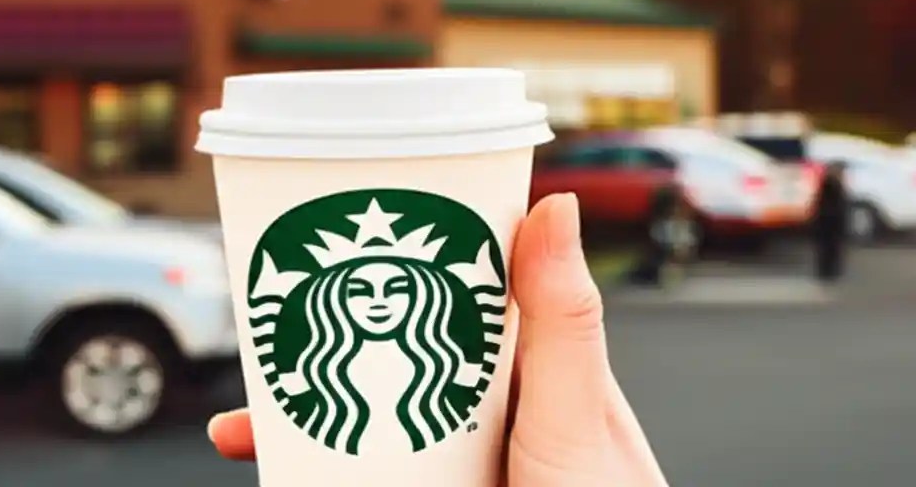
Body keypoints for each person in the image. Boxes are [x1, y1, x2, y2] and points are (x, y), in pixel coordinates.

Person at [207, 194, 671, 486]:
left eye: (397, 288)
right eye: (359, 290)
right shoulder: (313, 379)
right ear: (332, 299)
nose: (378, 301)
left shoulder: (453, 372)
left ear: (424, 296)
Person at [813, 161, 849, 282]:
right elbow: (829, 206)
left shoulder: (835, 184)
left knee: (832, 248)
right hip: (829, 222)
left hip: (832, 222)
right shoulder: (830, 185)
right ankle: (826, 271)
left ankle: (829, 270)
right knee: (828, 248)